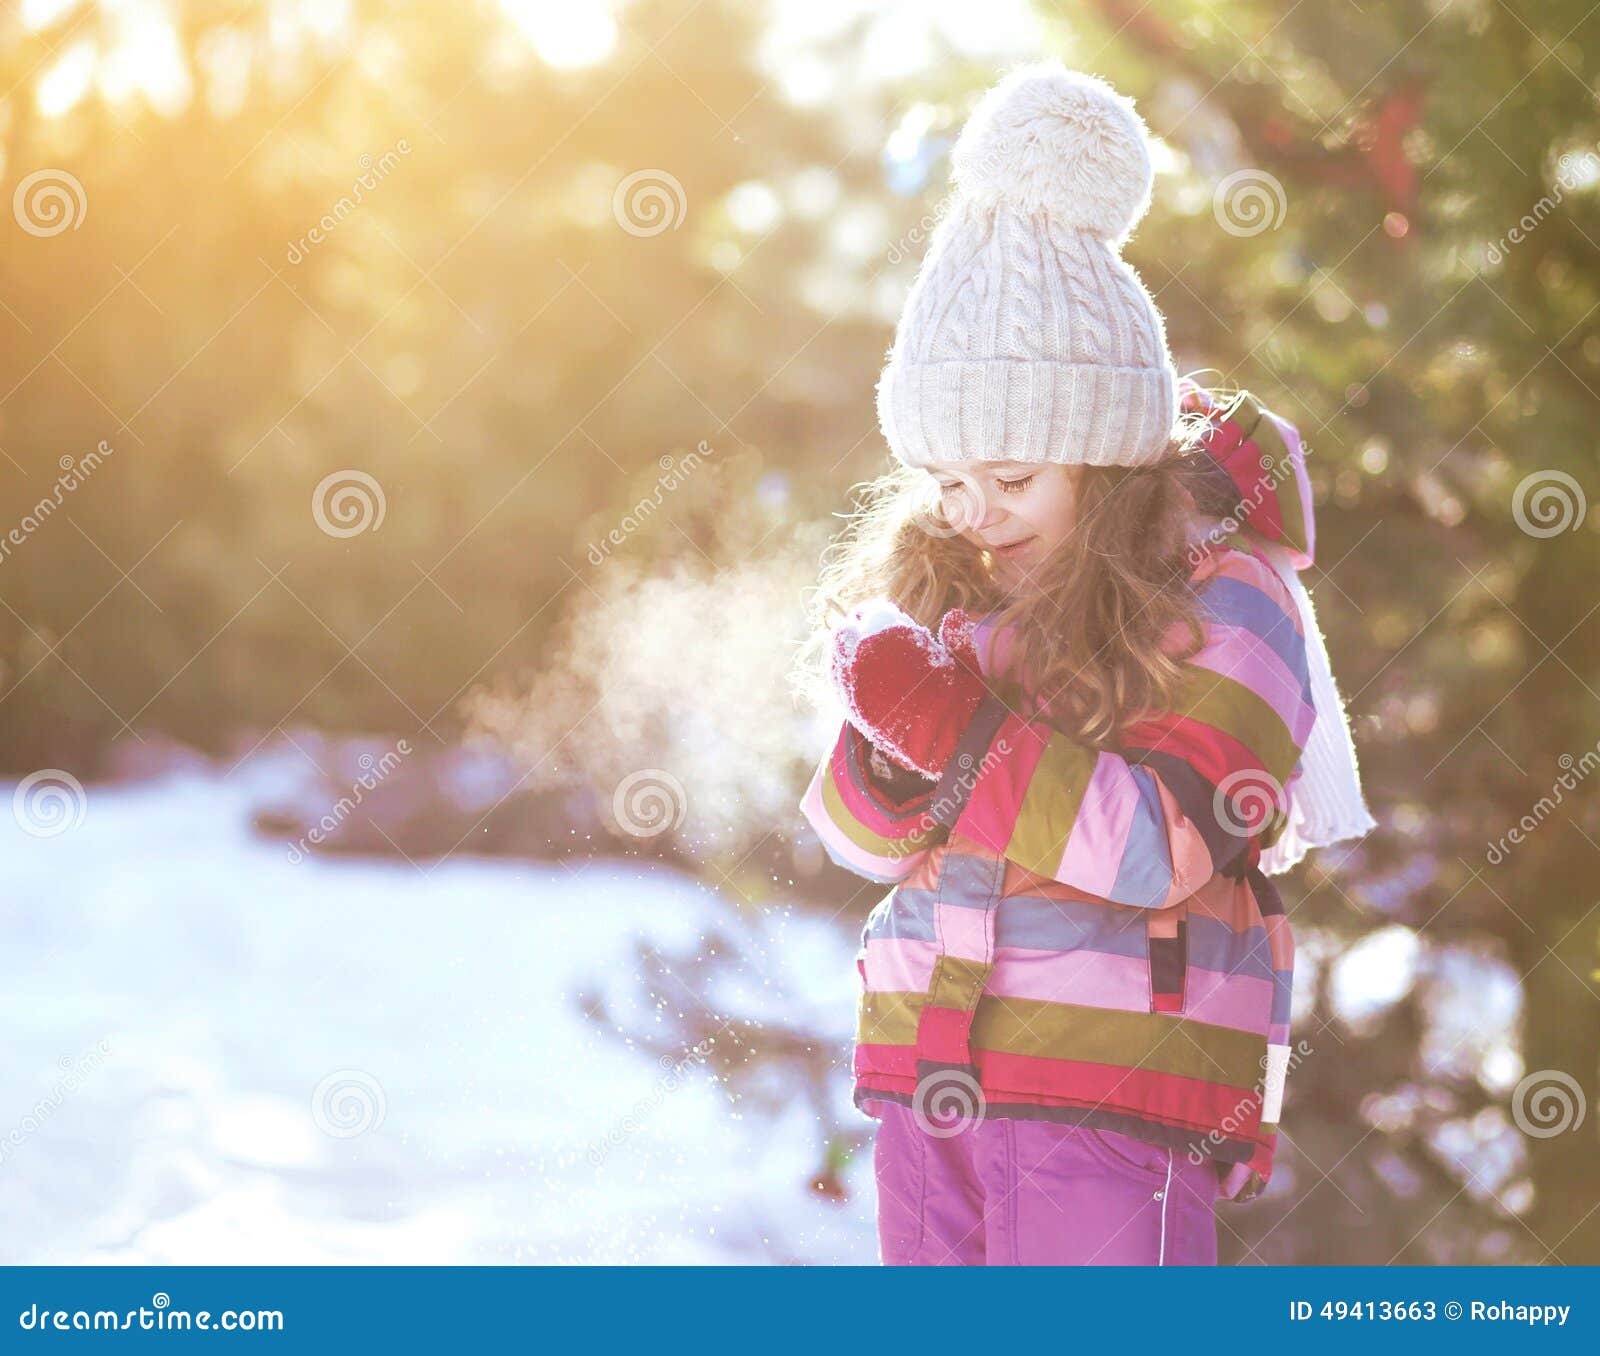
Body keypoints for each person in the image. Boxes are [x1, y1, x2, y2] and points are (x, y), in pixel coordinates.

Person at [791, 61, 1375, 1266]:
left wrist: (957, 736)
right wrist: (891, 760)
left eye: (1011, 480)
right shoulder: (952, 589)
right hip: (928, 1073)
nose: (975, 513)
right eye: (948, 481)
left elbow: (1160, 845)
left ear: (1105, 456)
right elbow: (855, 841)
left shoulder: (1224, 599)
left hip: (1114, 1089)